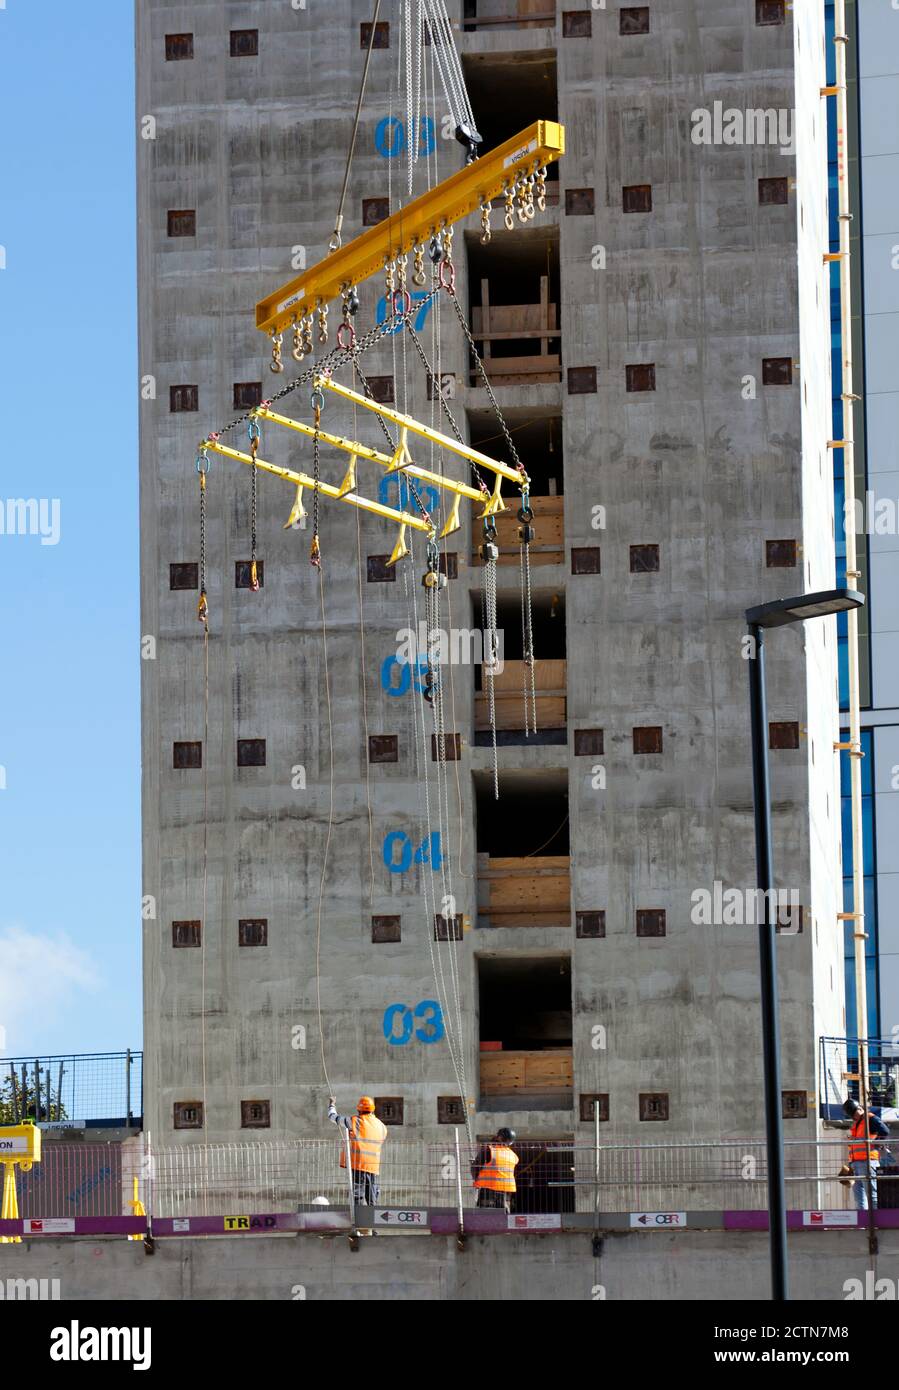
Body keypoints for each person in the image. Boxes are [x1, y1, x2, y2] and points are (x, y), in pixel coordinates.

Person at [328, 1095, 388, 1210]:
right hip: (373, 1167)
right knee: (372, 1197)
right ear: (373, 1109)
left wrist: (332, 1104)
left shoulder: (355, 1121)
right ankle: (372, 1225)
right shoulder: (381, 1126)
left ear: (359, 1109)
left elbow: (333, 1117)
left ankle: (359, 1223)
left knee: (357, 1196)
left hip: (358, 1165)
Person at [847, 1100, 890, 1211]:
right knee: (859, 1199)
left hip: (868, 1162)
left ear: (860, 1109)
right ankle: (864, 1225)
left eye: (853, 1114)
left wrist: (876, 1144)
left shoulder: (870, 1119)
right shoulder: (857, 1123)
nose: (853, 1117)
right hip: (856, 1163)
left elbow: (885, 1131)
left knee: (873, 1196)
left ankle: (877, 1224)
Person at [471, 1127, 519, 1213]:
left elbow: (475, 1167)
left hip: (488, 1190)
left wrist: (476, 1179)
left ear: (499, 1137)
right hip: (505, 1192)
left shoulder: (489, 1150)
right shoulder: (513, 1156)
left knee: (486, 1216)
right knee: (503, 1217)